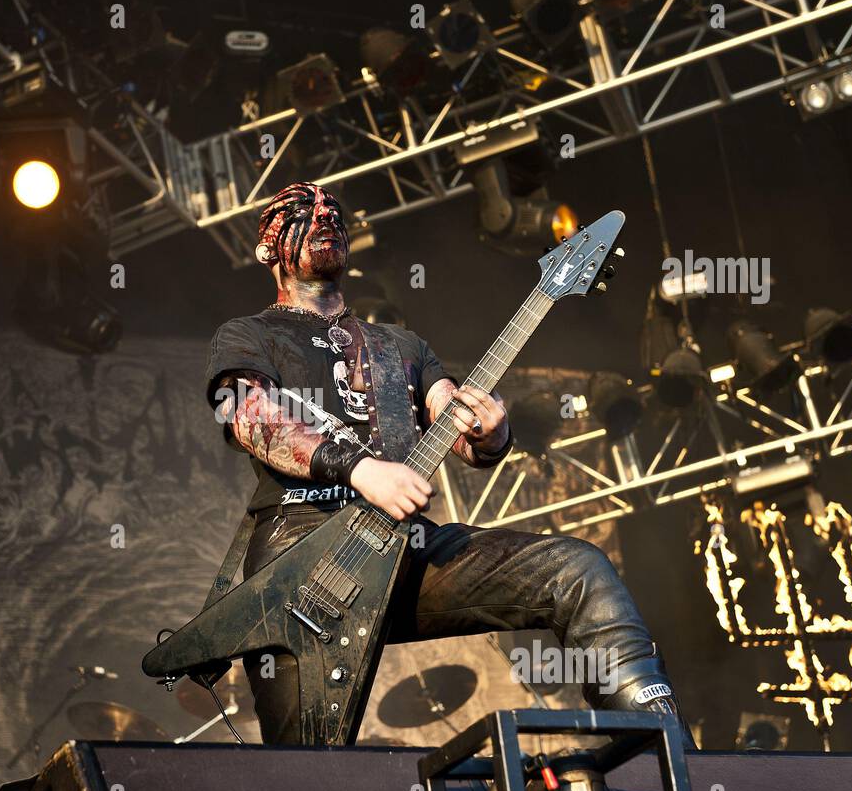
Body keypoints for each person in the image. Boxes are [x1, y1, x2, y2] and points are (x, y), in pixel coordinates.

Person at [206, 181, 693, 747]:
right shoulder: (249, 334)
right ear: (269, 246)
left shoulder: (401, 346)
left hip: (406, 551)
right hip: (299, 558)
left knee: (579, 572)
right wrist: (359, 470)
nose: (324, 217)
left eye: (334, 212)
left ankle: (659, 743)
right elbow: (249, 415)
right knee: (309, 774)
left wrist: (492, 430)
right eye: (304, 212)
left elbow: (457, 426)